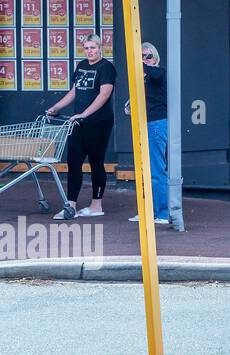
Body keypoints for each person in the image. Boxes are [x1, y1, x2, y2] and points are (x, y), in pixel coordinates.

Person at [46, 35, 115, 218]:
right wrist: (57, 107)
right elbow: (75, 91)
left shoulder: (106, 67)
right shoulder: (82, 65)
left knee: (96, 163)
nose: (89, 51)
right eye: (86, 48)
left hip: (99, 122)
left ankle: (96, 206)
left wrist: (85, 114)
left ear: (100, 48)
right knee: (73, 163)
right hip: (78, 122)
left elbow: (104, 95)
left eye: (93, 47)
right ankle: (70, 206)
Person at [125, 42, 169, 225]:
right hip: (143, 123)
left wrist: (138, 62)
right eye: (141, 56)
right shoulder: (142, 78)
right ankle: (147, 211)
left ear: (155, 57)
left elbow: (156, 75)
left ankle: (163, 213)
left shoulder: (159, 72)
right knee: (144, 169)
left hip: (156, 124)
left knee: (157, 169)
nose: (145, 59)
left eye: (148, 56)